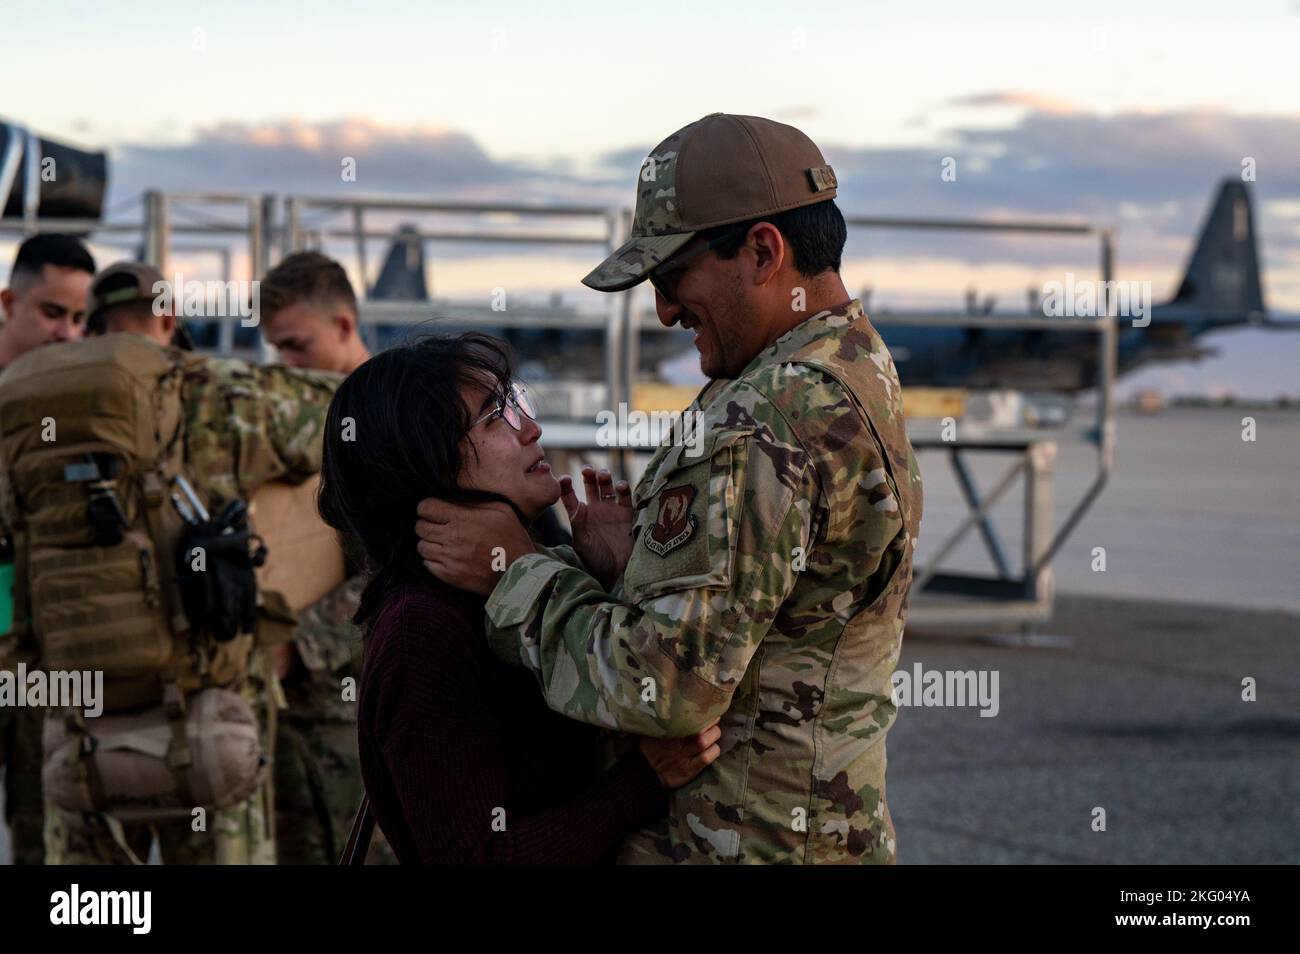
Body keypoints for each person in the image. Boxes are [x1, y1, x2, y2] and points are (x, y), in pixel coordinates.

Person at [415, 113, 925, 864]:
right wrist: (640, 574)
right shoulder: (850, 366)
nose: (663, 311)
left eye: (672, 277)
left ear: (762, 250)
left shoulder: (765, 415)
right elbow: (783, 612)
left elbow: (669, 686)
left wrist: (515, 572)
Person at [317, 332, 719, 863]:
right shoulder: (425, 631)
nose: (531, 429)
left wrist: (613, 581)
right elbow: (481, 857)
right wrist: (643, 781)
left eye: (516, 405)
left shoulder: (497, 591)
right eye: (494, 418)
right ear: (427, 463)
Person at [27, 261, 340, 864]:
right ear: (168, 317)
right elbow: (352, 416)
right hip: (210, 721)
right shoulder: (222, 393)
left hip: (80, 724)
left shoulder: (35, 410)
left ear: (90, 328)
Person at [257, 251, 378, 864]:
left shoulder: (395, 421)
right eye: (276, 349)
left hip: (359, 712)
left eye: (297, 346)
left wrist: (297, 644)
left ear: (344, 325)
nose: (286, 365)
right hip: (294, 715)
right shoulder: (297, 421)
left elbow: (408, 565)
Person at [0, 233, 96, 864]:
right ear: (8, 302)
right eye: (52, 312)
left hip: (42, 648)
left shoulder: (85, 399)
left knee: (45, 829)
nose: (67, 333)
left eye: (80, 319)